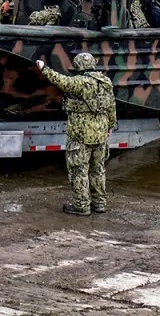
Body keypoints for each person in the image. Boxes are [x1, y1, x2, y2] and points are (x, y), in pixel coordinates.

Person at [35, 51, 117, 216]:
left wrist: (44, 69)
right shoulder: (106, 82)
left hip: (81, 136)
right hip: (100, 135)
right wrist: (110, 126)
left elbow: (62, 81)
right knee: (98, 170)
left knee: (79, 171)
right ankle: (99, 203)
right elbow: (111, 107)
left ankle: (81, 206)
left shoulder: (80, 82)